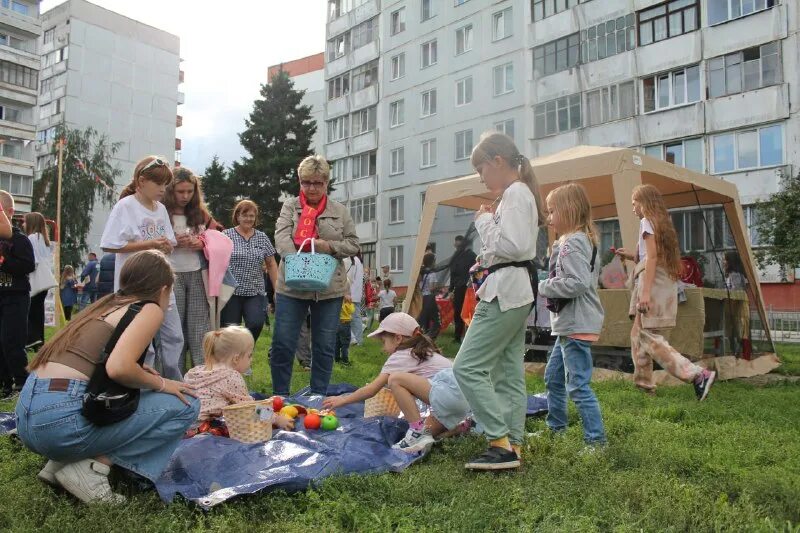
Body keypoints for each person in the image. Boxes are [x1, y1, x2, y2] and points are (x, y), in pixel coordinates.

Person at [15, 250, 200, 504]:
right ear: (164, 289)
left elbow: (97, 367)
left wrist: (140, 374)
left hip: (29, 419)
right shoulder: (150, 308)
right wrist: (162, 383)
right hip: (60, 424)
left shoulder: (107, 304)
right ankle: (92, 468)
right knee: (187, 404)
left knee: (140, 391)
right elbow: (119, 368)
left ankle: (61, 462)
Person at [452, 132, 545, 471]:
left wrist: (483, 222)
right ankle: (513, 444)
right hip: (514, 290)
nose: (481, 177)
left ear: (498, 161)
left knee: (467, 367)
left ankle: (498, 441)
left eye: (481, 169)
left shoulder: (515, 194)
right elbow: (510, 247)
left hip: (504, 292)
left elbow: (514, 246)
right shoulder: (518, 194)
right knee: (507, 371)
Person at [614, 184, 716, 400]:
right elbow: (652, 256)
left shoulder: (646, 221)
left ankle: (697, 375)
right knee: (637, 335)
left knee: (647, 336)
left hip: (651, 283)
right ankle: (644, 387)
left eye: (634, 203)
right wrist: (631, 256)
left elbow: (651, 258)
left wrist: (645, 294)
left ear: (644, 203)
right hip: (661, 280)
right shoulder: (661, 223)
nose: (633, 208)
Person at [271, 155, 360, 396]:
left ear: (326, 183)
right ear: (300, 181)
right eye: (306, 182)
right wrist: (300, 261)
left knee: (324, 346)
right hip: (291, 285)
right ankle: (280, 397)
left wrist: (329, 246)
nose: (311, 188)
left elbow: (353, 244)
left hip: (329, 288)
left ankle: (318, 397)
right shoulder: (290, 206)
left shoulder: (340, 211)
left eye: (317, 183)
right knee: (282, 343)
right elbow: (281, 237)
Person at [323, 313, 470, 453]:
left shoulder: (401, 355)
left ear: (398, 338)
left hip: (450, 395)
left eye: (384, 342)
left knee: (395, 379)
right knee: (429, 433)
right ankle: (459, 427)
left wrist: (342, 400)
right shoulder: (424, 351)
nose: (383, 348)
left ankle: (416, 431)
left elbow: (372, 389)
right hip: (462, 399)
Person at [100, 156, 183, 381]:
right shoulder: (125, 206)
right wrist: (149, 244)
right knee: (143, 342)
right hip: (136, 286)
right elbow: (109, 244)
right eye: (158, 184)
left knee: (174, 337)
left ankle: (173, 384)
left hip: (162, 284)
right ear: (142, 181)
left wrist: (166, 246)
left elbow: (169, 242)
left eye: (165, 184)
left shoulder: (161, 209)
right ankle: (141, 385)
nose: (163, 189)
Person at [538, 184, 606, 448]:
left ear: (569, 210)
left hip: (575, 324)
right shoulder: (577, 240)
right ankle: (556, 428)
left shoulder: (573, 243)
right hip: (570, 325)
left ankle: (595, 442)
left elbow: (577, 283)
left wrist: (541, 286)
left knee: (578, 386)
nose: (549, 218)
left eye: (552, 211)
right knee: (553, 378)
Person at [183, 326, 293, 430]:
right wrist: (276, 419)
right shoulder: (231, 376)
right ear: (236, 359)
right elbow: (250, 409)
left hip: (182, 425)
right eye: (249, 355)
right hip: (202, 429)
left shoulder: (195, 372)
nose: (252, 359)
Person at [164, 167, 218, 369]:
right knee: (174, 329)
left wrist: (201, 243)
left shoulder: (201, 213)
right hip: (169, 275)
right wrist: (173, 241)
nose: (185, 196)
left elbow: (218, 236)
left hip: (197, 274)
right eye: (180, 191)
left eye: (189, 191)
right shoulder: (161, 211)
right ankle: (173, 377)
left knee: (199, 329)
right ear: (170, 190)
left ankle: (201, 376)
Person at [221, 200, 278, 342]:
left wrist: (277, 289)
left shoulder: (262, 237)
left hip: (255, 291)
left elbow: (271, 264)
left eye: (252, 216)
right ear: (237, 216)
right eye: (244, 215)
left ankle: (246, 350)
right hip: (231, 291)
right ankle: (232, 354)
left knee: (256, 323)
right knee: (229, 331)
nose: (248, 219)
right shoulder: (226, 235)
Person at [0, 191, 35, 399]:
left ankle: (21, 382)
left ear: (9, 212)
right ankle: (5, 383)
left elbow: (28, 265)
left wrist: (4, 260)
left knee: (12, 341)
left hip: (15, 296)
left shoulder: (19, 239)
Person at [25, 212, 54, 349]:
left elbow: (33, 261)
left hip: (35, 280)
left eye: (25, 222)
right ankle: (39, 340)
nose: (23, 224)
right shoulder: (44, 239)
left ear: (31, 223)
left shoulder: (31, 238)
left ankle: (32, 339)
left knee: (30, 311)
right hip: (44, 281)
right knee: (38, 311)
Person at [448, 235, 477, 343]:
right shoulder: (456, 256)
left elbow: (477, 269)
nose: (457, 247)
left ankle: (471, 336)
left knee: (470, 311)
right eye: (456, 246)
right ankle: (457, 336)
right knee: (458, 311)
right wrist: (451, 290)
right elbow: (452, 274)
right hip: (459, 288)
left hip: (469, 288)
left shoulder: (471, 255)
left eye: (459, 245)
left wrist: (473, 283)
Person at [416, 252, 441, 338]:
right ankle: (430, 337)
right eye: (434, 261)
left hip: (422, 298)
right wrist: (439, 288)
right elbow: (431, 288)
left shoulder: (422, 273)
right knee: (436, 321)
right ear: (432, 262)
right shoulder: (432, 274)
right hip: (430, 298)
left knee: (424, 319)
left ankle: (423, 336)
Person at [345, 254, 365, 345]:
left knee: (351, 318)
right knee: (355, 317)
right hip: (356, 293)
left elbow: (348, 277)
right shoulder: (359, 261)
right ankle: (357, 339)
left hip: (351, 293)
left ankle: (356, 339)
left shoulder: (353, 260)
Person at [335, 296, 355, 366]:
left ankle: (337, 358)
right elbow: (352, 311)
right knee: (345, 344)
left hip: (337, 323)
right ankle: (345, 360)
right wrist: (350, 303)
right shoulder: (347, 304)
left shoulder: (337, 302)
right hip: (345, 324)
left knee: (337, 343)